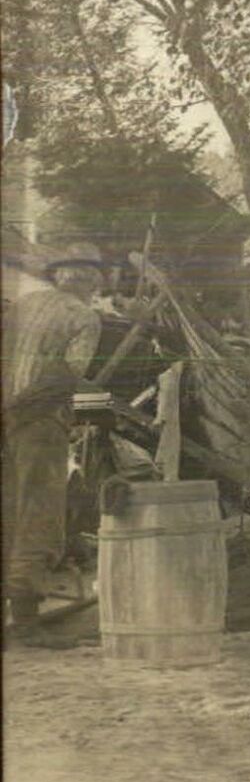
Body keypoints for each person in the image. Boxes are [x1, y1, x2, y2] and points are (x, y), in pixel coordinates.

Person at [3, 242, 106, 647]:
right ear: (92, 281)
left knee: (6, 509)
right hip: (37, 421)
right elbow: (64, 376)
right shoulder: (84, 317)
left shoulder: (21, 307)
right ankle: (26, 623)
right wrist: (20, 410)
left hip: (6, 417)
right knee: (39, 512)